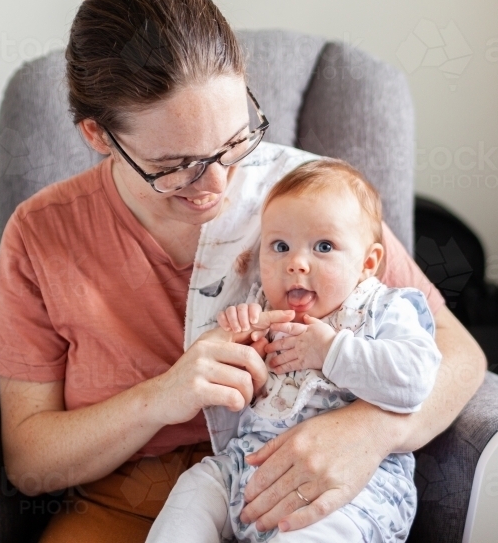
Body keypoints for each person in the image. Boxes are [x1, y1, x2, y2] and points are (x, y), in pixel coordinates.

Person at [0, 0, 487, 543]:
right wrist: (160, 398)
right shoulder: (43, 234)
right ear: (98, 136)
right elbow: (29, 464)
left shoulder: (302, 199)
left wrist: (371, 431)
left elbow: (459, 355)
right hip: (124, 511)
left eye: (233, 143)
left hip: (297, 497)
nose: (217, 184)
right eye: (175, 167)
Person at [146, 158, 442, 542]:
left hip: (349, 491)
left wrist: (331, 351)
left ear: (368, 263)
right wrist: (245, 351)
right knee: (196, 489)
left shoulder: (384, 308)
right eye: (280, 246)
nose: (296, 264)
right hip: (247, 468)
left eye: (323, 247)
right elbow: (233, 404)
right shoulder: (264, 310)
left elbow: (415, 381)